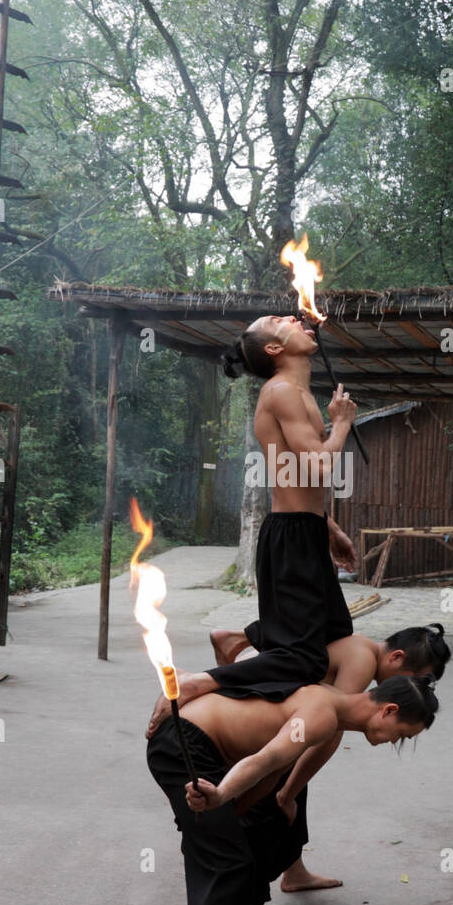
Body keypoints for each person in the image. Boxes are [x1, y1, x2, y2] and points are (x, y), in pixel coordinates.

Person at [147, 674, 438, 905]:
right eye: (402, 734)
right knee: (228, 863)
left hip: (201, 746)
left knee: (231, 852)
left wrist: (232, 813)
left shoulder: (331, 713)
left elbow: (271, 774)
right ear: (389, 709)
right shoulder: (323, 715)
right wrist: (220, 798)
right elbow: (264, 758)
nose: (395, 742)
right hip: (186, 744)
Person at [147, 314, 356, 734]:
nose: (295, 318)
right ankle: (197, 683)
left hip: (306, 529)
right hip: (291, 536)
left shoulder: (300, 393)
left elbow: (294, 479)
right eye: (281, 321)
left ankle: (237, 639)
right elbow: (317, 468)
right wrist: (344, 424)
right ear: (275, 349)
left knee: (336, 633)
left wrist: (329, 530)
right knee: (304, 658)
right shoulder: (281, 392)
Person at [211, 622, 451, 901]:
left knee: (294, 788)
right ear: (396, 657)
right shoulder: (362, 661)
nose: (413, 686)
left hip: (274, 704)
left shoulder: (359, 645)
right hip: (255, 706)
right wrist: (287, 791)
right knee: (273, 803)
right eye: (415, 677)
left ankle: (294, 872)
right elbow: (330, 733)